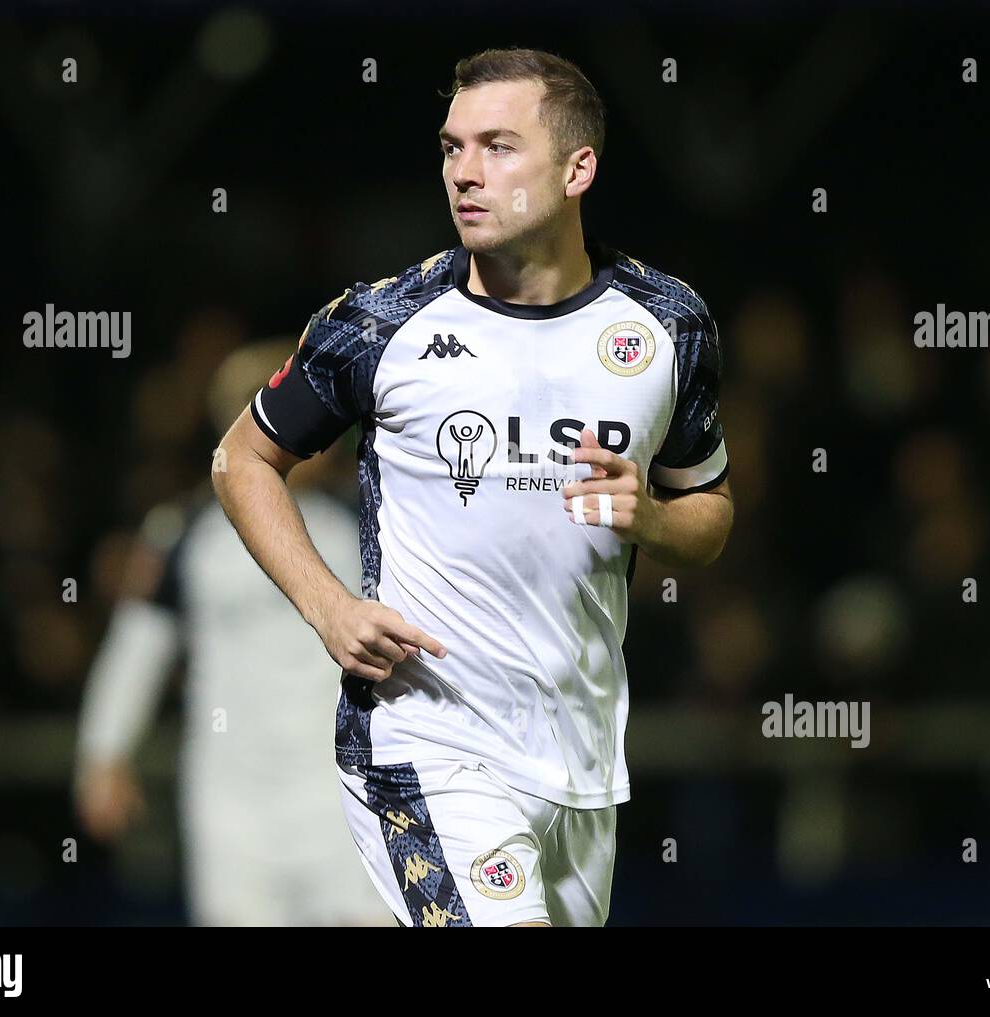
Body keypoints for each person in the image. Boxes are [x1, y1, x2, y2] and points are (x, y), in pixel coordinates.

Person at [212, 47, 733, 927]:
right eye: (452, 148)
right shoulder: (380, 323)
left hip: (581, 759)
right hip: (429, 742)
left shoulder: (668, 324)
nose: (463, 172)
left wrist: (651, 516)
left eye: (497, 146)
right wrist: (329, 607)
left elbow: (711, 515)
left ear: (579, 169)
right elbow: (241, 460)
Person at [75, 341, 392, 926]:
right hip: (231, 803)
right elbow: (137, 648)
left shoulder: (372, 521)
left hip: (347, 795)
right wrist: (103, 752)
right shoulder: (180, 536)